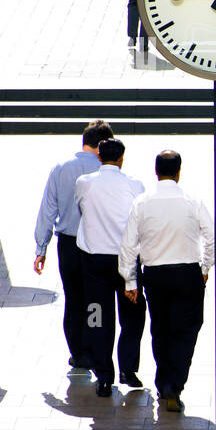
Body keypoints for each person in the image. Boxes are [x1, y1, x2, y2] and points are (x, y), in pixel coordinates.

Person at [118, 150, 214, 413]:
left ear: (156, 171)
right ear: (179, 171)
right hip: (187, 272)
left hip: (155, 274)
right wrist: (205, 266)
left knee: (160, 329)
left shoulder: (142, 202)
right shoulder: (192, 201)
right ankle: (175, 383)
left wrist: (130, 281)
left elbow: (128, 245)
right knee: (187, 330)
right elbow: (212, 235)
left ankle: (164, 382)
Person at [35, 120, 115, 371]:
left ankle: (77, 351)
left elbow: (48, 210)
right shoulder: (106, 169)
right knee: (95, 300)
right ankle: (93, 346)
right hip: (97, 244)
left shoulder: (61, 168)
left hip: (68, 244)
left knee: (73, 298)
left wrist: (41, 248)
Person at [74, 138, 147, 397]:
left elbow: (81, 208)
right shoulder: (134, 185)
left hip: (94, 261)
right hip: (126, 260)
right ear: (121, 158)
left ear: (99, 157)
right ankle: (129, 368)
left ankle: (104, 374)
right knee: (133, 315)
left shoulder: (84, 183)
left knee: (97, 317)